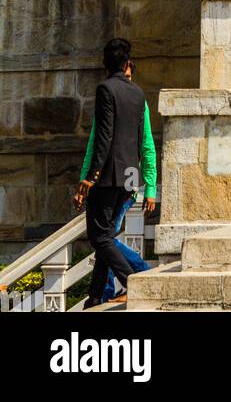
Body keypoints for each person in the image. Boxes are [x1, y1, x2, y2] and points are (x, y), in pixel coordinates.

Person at [74, 38, 157, 309]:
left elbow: (103, 137)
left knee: (100, 237)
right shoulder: (138, 94)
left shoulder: (105, 89)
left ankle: (133, 279)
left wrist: (90, 177)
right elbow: (143, 143)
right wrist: (149, 184)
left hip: (109, 175)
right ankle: (96, 296)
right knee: (106, 236)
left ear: (105, 64)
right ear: (126, 63)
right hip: (130, 177)